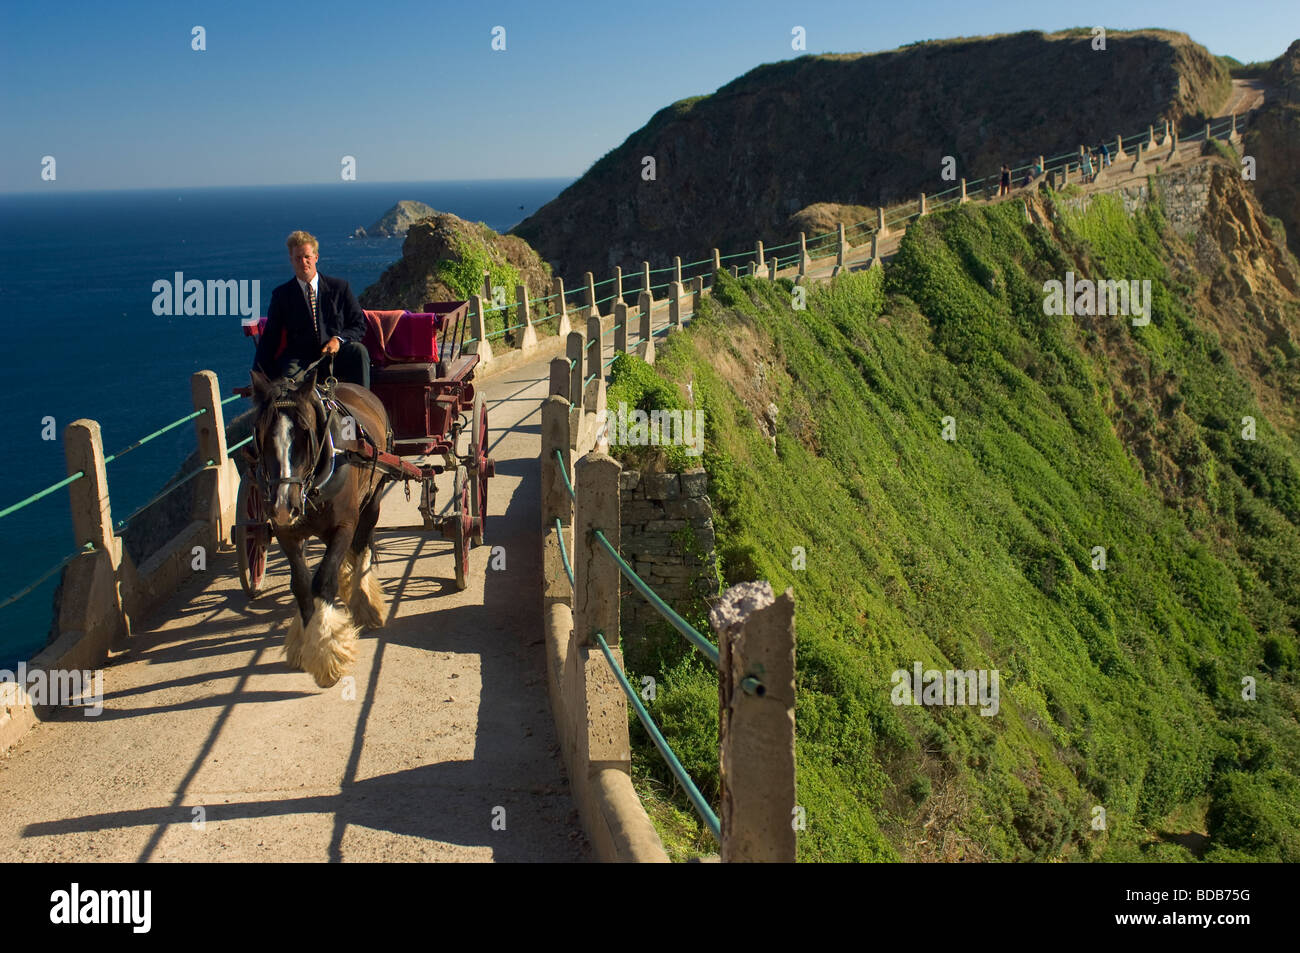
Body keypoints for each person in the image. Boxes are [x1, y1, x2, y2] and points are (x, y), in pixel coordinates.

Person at [254, 230, 371, 389]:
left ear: (316, 257)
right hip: (300, 360)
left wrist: (338, 340)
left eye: (307, 257)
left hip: (336, 354)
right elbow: (270, 337)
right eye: (298, 258)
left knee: (359, 352)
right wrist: (258, 370)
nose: (303, 262)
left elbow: (358, 324)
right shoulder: (282, 295)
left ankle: (361, 406)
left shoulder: (340, 288)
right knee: (287, 388)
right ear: (291, 260)